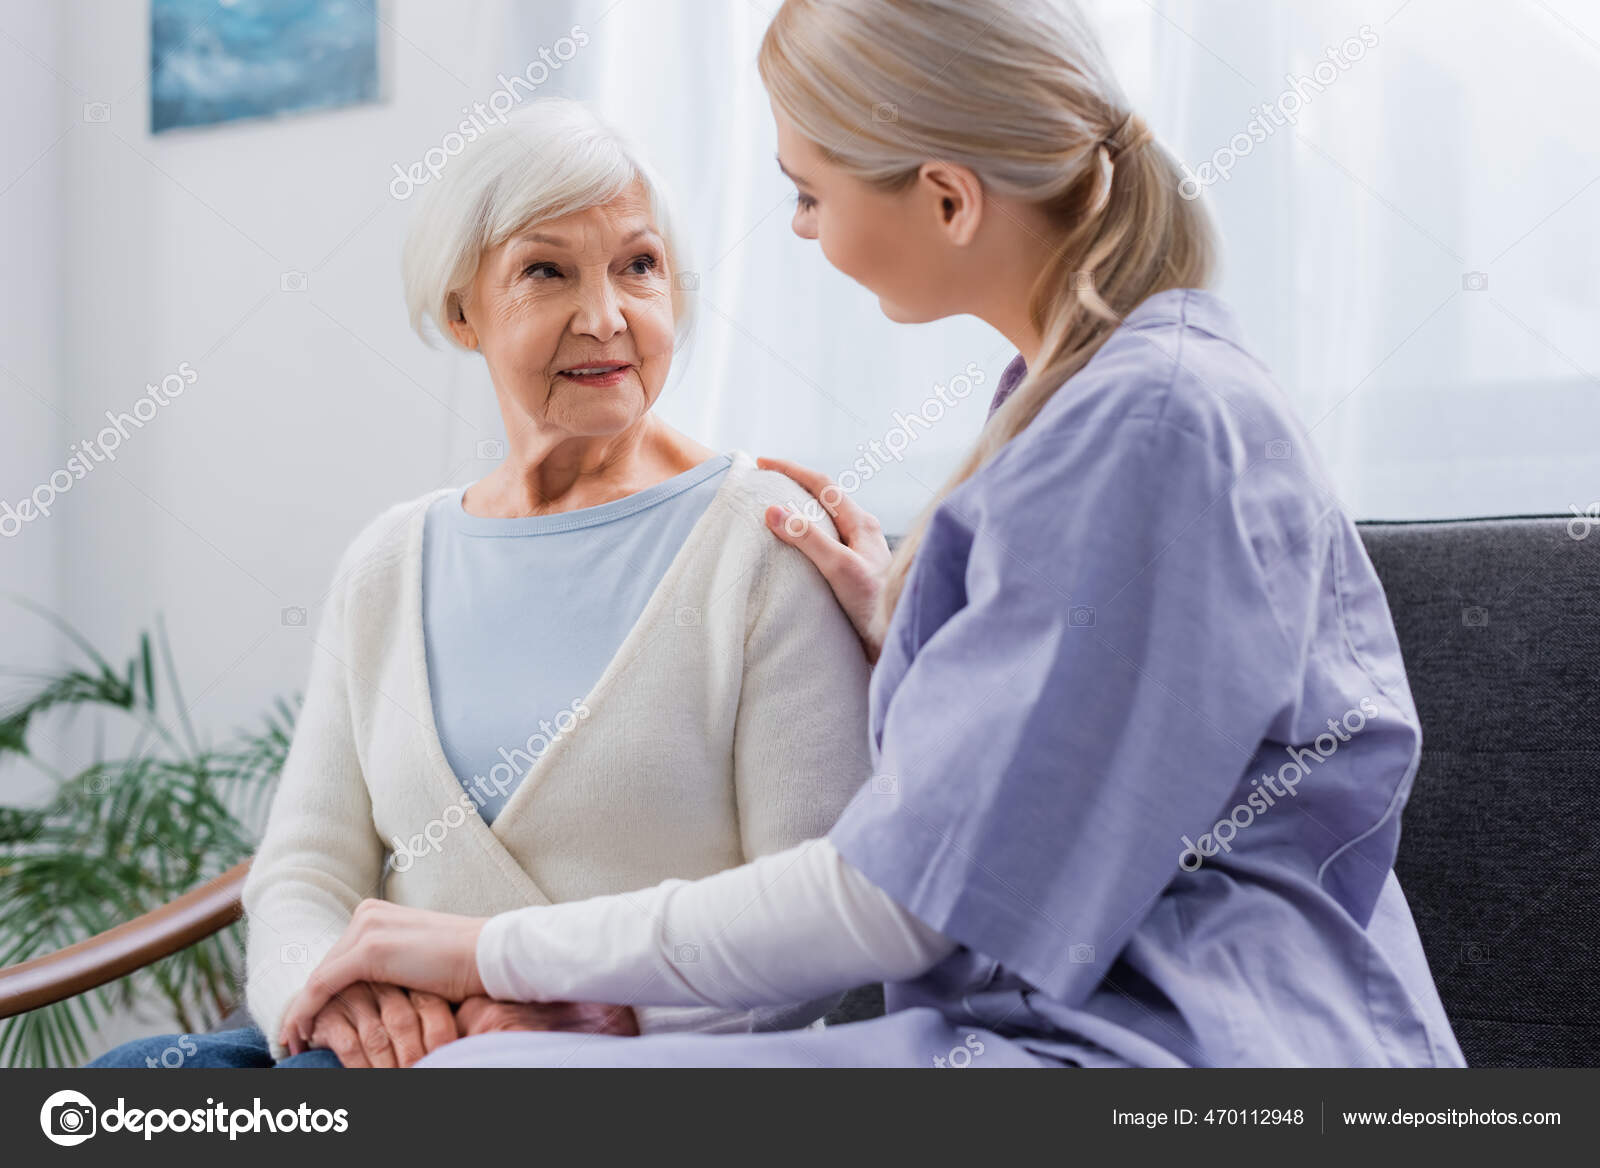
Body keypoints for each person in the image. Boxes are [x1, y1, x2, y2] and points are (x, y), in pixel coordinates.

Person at [277, 0, 1466, 1069]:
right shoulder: (1077, 410)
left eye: (807, 191)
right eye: (545, 270)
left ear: (946, 197)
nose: (796, 229)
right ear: (461, 308)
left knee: (485, 1078)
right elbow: (1062, 736)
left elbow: (891, 896)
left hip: (1190, 1045)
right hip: (1054, 1026)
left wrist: (498, 955)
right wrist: (917, 633)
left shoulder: (1139, 425)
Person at [88, 99, 870, 1069]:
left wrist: (579, 1014)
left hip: (648, 1059)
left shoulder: (765, 541)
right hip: (402, 1058)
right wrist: (334, 997)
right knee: (125, 1089)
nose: (606, 317)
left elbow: (820, 924)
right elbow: (304, 870)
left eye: (639, 266)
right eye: (547, 271)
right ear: (462, 310)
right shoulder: (389, 559)